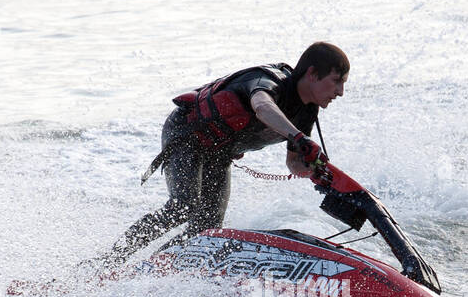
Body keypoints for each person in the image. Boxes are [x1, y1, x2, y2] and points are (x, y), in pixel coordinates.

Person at [103, 42, 349, 265]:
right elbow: (262, 107)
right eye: (336, 81)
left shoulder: (307, 112)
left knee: (207, 230)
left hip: (218, 155)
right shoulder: (268, 81)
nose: (340, 92)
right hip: (187, 135)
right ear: (312, 74)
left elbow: (293, 162)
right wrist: (298, 137)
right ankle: (109, 261)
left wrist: (310, 171)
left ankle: (153, 267)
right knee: (183, 207)